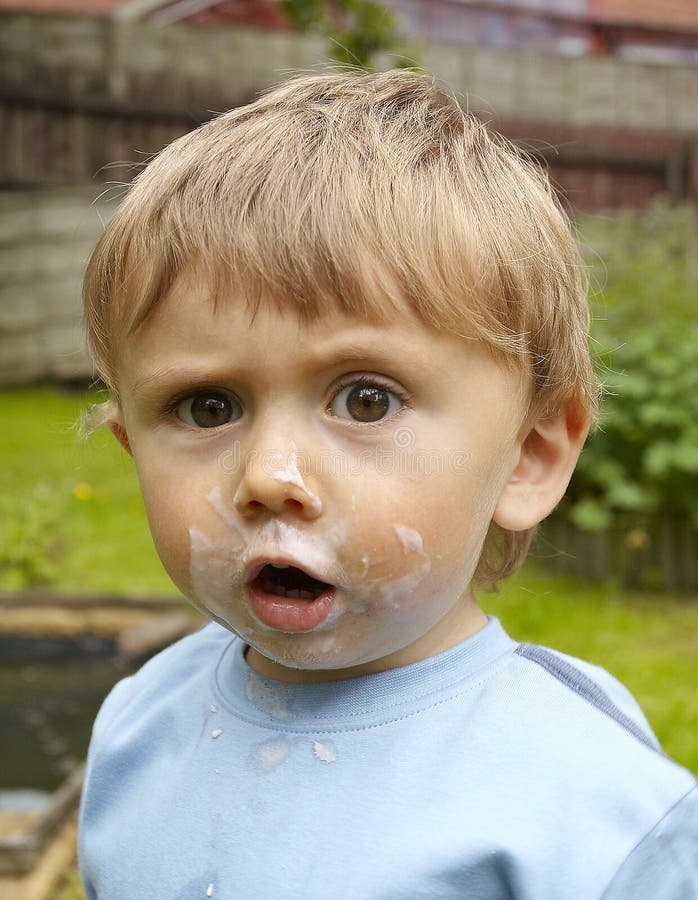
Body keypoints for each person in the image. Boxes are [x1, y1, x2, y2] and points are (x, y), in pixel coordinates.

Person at [78, 69, 697, 899]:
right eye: (207, 406)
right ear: (130, 446)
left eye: (366, 400)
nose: (268, 476)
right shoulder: (138, 724)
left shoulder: (592, 815)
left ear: (529, 457)